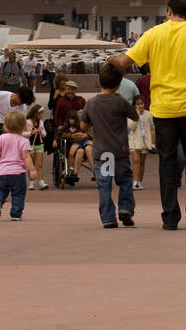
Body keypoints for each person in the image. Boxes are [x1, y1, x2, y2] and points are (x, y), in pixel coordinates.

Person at [114, 0, 186, 230]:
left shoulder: (153, 34)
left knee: (167, 162)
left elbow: (124, 62)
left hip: (162, 109)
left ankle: (169, 217)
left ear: (168, 11)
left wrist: (109, 60)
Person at [81, 63, 138, 228]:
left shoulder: (91, 103)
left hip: (101, 151)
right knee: (125, 180)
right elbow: (134, 116)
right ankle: (126, 209)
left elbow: (84, 126)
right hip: (120, 150)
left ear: (99, 81)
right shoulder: (120, 103)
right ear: (119, 85)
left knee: (104, 185)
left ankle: (108, 218)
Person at [0, 108, 38, 219]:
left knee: (1, 189)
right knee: (18, 193)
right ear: (23, 126)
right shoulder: (24, 141)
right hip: (17, 173)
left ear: (5, 125)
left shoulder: (2, 138)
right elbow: (26, 157)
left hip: (2, 172)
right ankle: (15, 214)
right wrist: (32, 170)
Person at [129, 96, 155, 189]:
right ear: (134, 105)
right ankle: (135, 181)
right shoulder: (131, 114)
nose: (140, 106)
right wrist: (136, 116)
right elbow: (131, 127)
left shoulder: (148, 114)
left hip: (145, 142)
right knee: (136, 160)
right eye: (138, 104)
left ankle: (139, 181)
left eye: (141, 104)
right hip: (134, 141)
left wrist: (153, 143)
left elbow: (152, 128)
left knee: (142, 162)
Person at [62, 108, 94, 180]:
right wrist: (70, 135)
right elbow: (61, 133)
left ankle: (95, 171)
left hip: (86, 144)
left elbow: (95, 133)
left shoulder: (88, 123)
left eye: (82, 113)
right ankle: (74, 173)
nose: (81, 115)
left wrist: (87, 135)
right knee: (80, 151)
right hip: (73, 145)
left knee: (88, 148)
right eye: (79, 113)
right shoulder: (69, 125)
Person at [26, 102, 47, 189]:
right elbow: (23, 133)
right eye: (40, 113)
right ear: (36, 113)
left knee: (39, 164)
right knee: (31, 164)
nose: (41, 115)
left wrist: (41, 132)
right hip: (30, 145)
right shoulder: (27, 122)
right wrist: (30, 133)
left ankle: (41, 182)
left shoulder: (41, 122)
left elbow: (44, 134)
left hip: (39, 144)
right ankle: (31, 182)